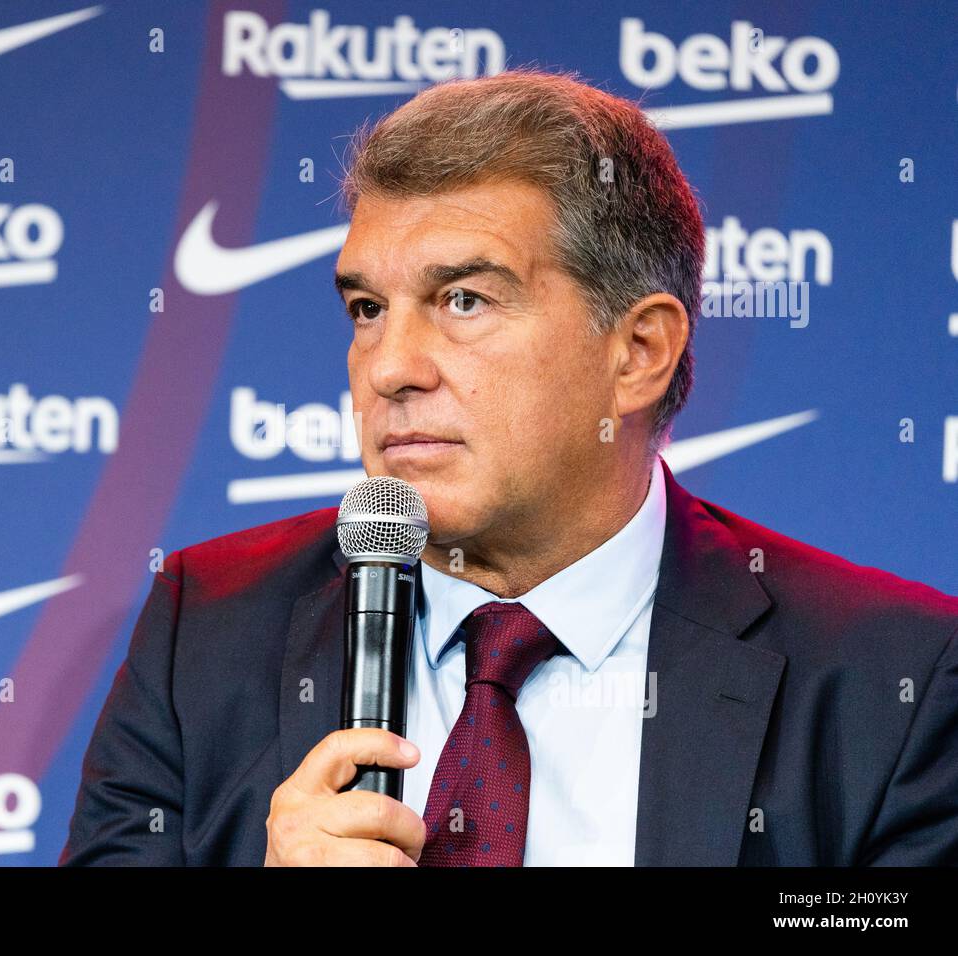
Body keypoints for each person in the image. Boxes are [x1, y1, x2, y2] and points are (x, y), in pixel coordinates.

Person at [59, 68, 958, 866]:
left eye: (463, 298)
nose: (388, 368)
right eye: (367, 307)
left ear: (639, 351)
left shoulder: (892, 680)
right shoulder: (205, 630)